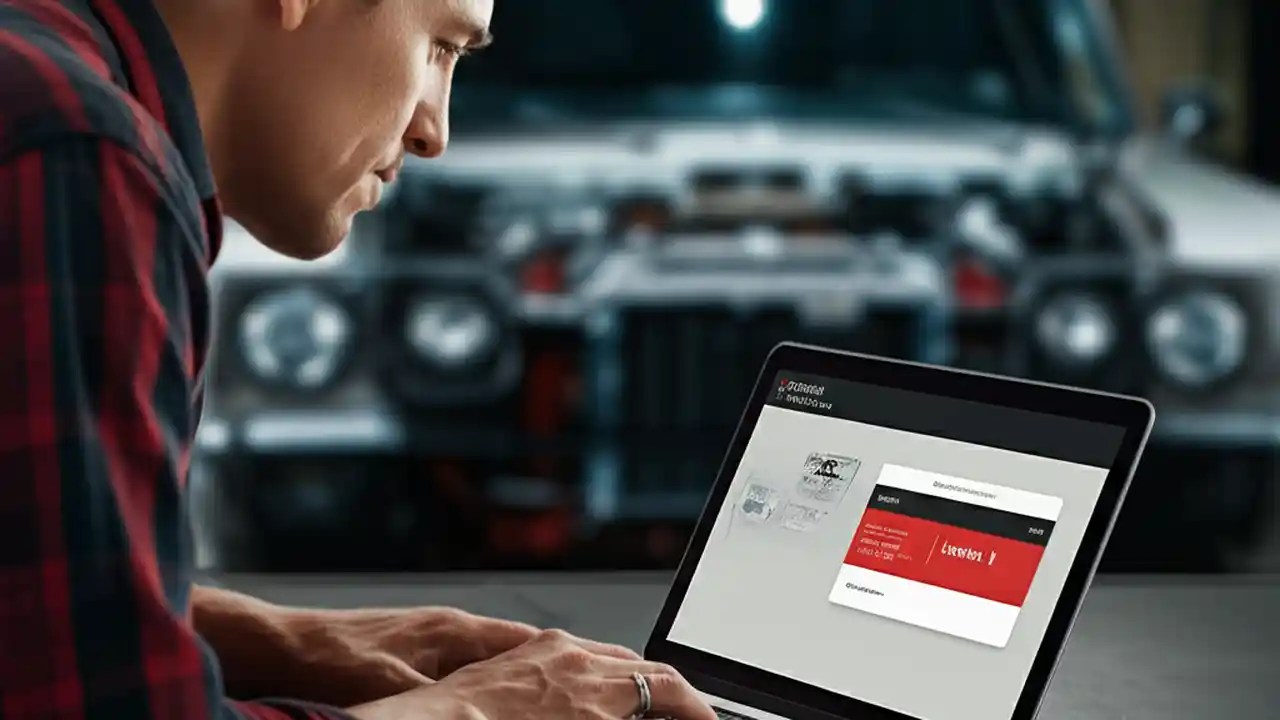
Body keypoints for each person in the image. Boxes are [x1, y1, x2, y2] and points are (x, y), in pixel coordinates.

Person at [0, 1, 717, 718]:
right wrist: (483, 710)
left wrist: (279, 639)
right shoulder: (77, 150)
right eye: (440, 48)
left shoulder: (40, 82)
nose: (434, 131)